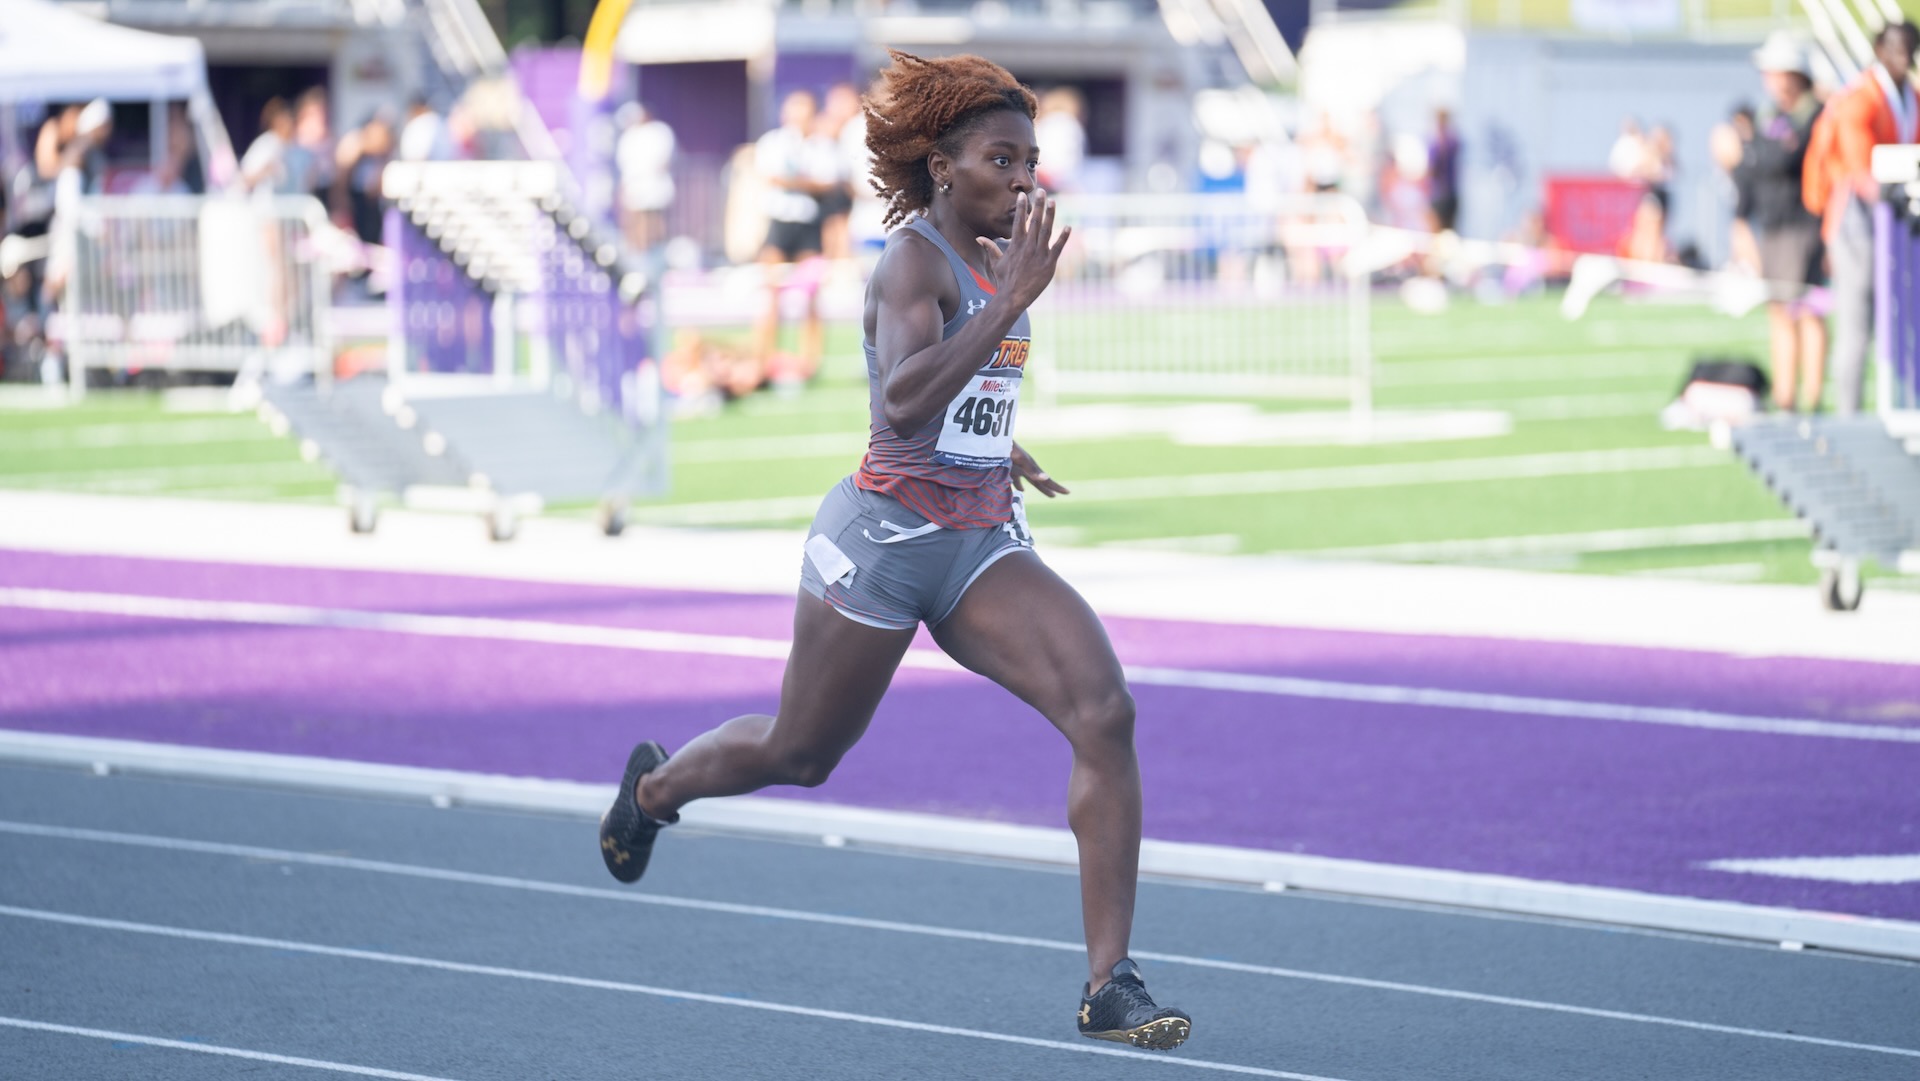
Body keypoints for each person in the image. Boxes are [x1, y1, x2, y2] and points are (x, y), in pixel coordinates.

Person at [597, 49, 1193, 1052]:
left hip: (977, 543)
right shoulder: (913, 260)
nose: (1024, 179)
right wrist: (1006, 310)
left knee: (1105, 709)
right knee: (803, 751)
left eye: (1032, 160)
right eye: (1002, 159)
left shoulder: (1003, 253)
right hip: (882, 543)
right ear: (944, 167)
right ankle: (656, 788)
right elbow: (904, 400)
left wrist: (1007, 442)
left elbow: (963, 393)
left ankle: (1109, 981)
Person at [1804, 20, 1920, 415]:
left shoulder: (1909, 95)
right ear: (1879, 50)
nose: (1902, 56)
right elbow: (1860, 165)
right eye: (1894, 48)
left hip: (1896, 216)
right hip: (1857, 218)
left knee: (1904, 316)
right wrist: (1889, 191)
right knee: (1856, 321)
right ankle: (1848, 415)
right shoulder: (1861, 97)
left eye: (1908, 48)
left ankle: (1906, 407)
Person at [1740, 32, 1827, 414]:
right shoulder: (1770, 115)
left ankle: (1808, 396)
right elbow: (1755, 160)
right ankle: (1786, 394)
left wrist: (1760, 152)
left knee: (1805, 309)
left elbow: (1777, 160)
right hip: (1774, 223)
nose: (1768, 79)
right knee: (1780, 310)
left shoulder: (1811, 113)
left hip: (1802, 222)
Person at [750, 89, 835, 385]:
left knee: (810, 295)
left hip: (808, 225)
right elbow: (770, 177)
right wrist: (803, 182)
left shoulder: (822, 145)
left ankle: (809, 362)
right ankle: (764, 359)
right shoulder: (773, 142)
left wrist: (795, 182)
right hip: (780, 223)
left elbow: (826, 183)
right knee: (771, 292)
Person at [1427, 108, 1461, 233]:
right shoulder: (1451, 141)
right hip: (1447, 194)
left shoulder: (1440, 143)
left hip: (1442, 195)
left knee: (1440, 232)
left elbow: (1433, 169)